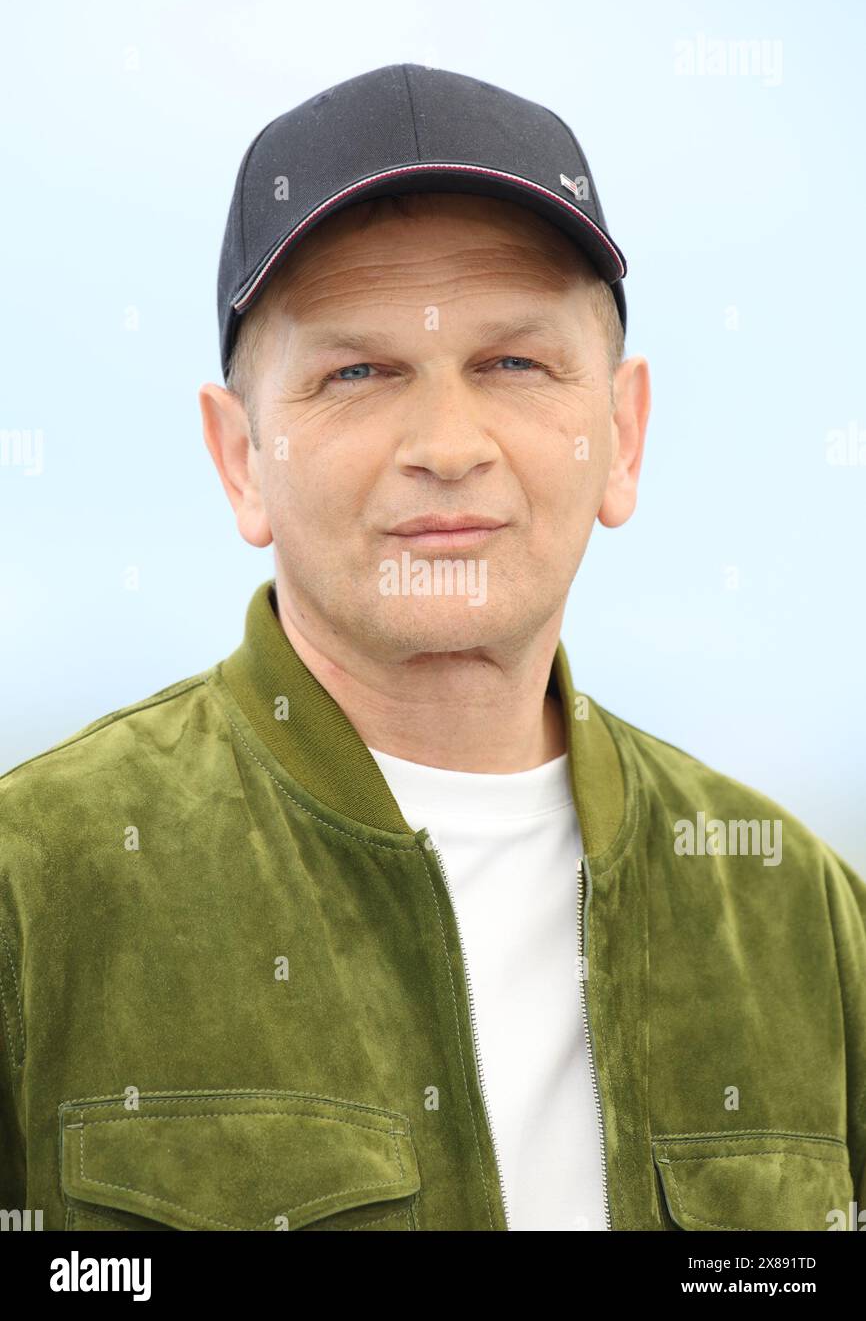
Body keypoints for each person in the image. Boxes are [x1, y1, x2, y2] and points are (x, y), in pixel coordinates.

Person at [1, 64, 863, 1233]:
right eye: (356, 372)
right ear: (240, 458)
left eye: (512, 363)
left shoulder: (798, 911)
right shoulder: (32, 886)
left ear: (623, 435)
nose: (447, 444)